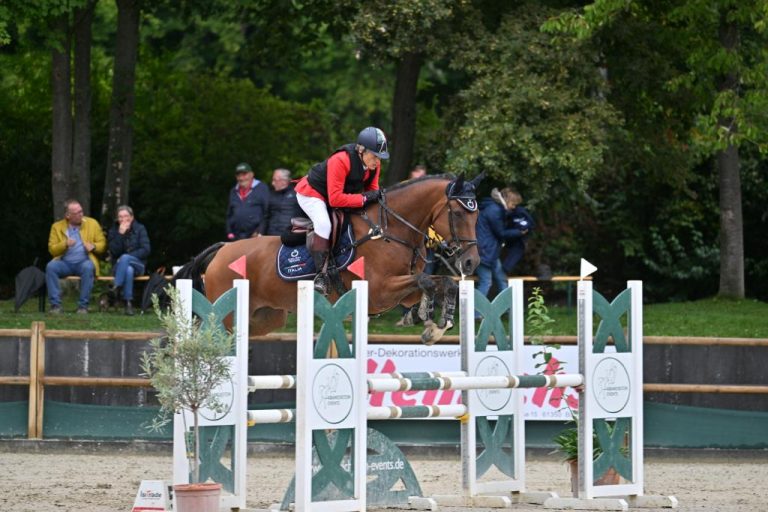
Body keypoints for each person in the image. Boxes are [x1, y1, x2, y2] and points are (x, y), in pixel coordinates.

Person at [294, 126, 388, 294]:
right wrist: (364, 198)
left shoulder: (374, 166)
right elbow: (336, 199)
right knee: (324, 224)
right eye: (374, 156)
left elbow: (371, 192)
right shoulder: (341, 160)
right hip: (312, 193)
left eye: (380, 157)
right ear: (361, 150)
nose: (377, 161)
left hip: (335, 195)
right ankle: (321, 276)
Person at [45, 199, 107, 314]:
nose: (81, 214)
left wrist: (93, 246)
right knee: (51, 267)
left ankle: (83, 306)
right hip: (65, 263)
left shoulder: (92, 223)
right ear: (68, 215)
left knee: (88, 267)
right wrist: (64, 244)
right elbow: (52, 249)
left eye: (81, 211)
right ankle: (55, 306)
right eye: (77, 213)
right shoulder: (57, 227)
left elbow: (102, 244)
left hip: (83, 262)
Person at [474, 187, 524, 298]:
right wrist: (519, 232)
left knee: (501, 280)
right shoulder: (495, 210)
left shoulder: (494, 208)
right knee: (486, 282)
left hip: (490, 252)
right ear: (507, 200)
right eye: (513, 204)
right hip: (484, 252)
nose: (514, 207)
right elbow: (501, 233)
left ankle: (507, 310)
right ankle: (476, 314)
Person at [107, 205, 151, 316]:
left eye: (126, 216)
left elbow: (146, 250)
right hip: (119, 267)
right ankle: (128, 303)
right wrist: (120, 235)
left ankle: (117, 286)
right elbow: (113, 251)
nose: (123, 219)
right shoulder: (114, 231)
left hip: (139, 264)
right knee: (128, 270)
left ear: (131, 217)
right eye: (120, 217)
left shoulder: (140, 229)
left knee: (126, 259)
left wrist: (127, 257)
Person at [226, 162, 270, 241]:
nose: (241, 178)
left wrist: (260, 231)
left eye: (244, 174)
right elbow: (229, 213)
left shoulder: (262, 188)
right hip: (236, 236)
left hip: (255, 236)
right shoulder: (233, 191)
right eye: (238, 175)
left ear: (252, 174)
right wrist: (229, 231)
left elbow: (267, 212)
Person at [260, 168, 302, 236]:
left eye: (275, 180)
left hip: (290, 237)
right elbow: (266, 217)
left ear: (284, 181)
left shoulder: (297, 195)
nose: (272, 183)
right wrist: (261, 232)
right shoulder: (271, 195)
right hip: (271, 236)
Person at [502, 190, 534, 274]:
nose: (514, 207)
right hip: (502, 243)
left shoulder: (520, 212)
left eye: (515, 205)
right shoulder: (499, 212)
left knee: (506, 267)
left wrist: (522, 230)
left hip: (518, 243)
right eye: (512, 204)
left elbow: (530, 224)